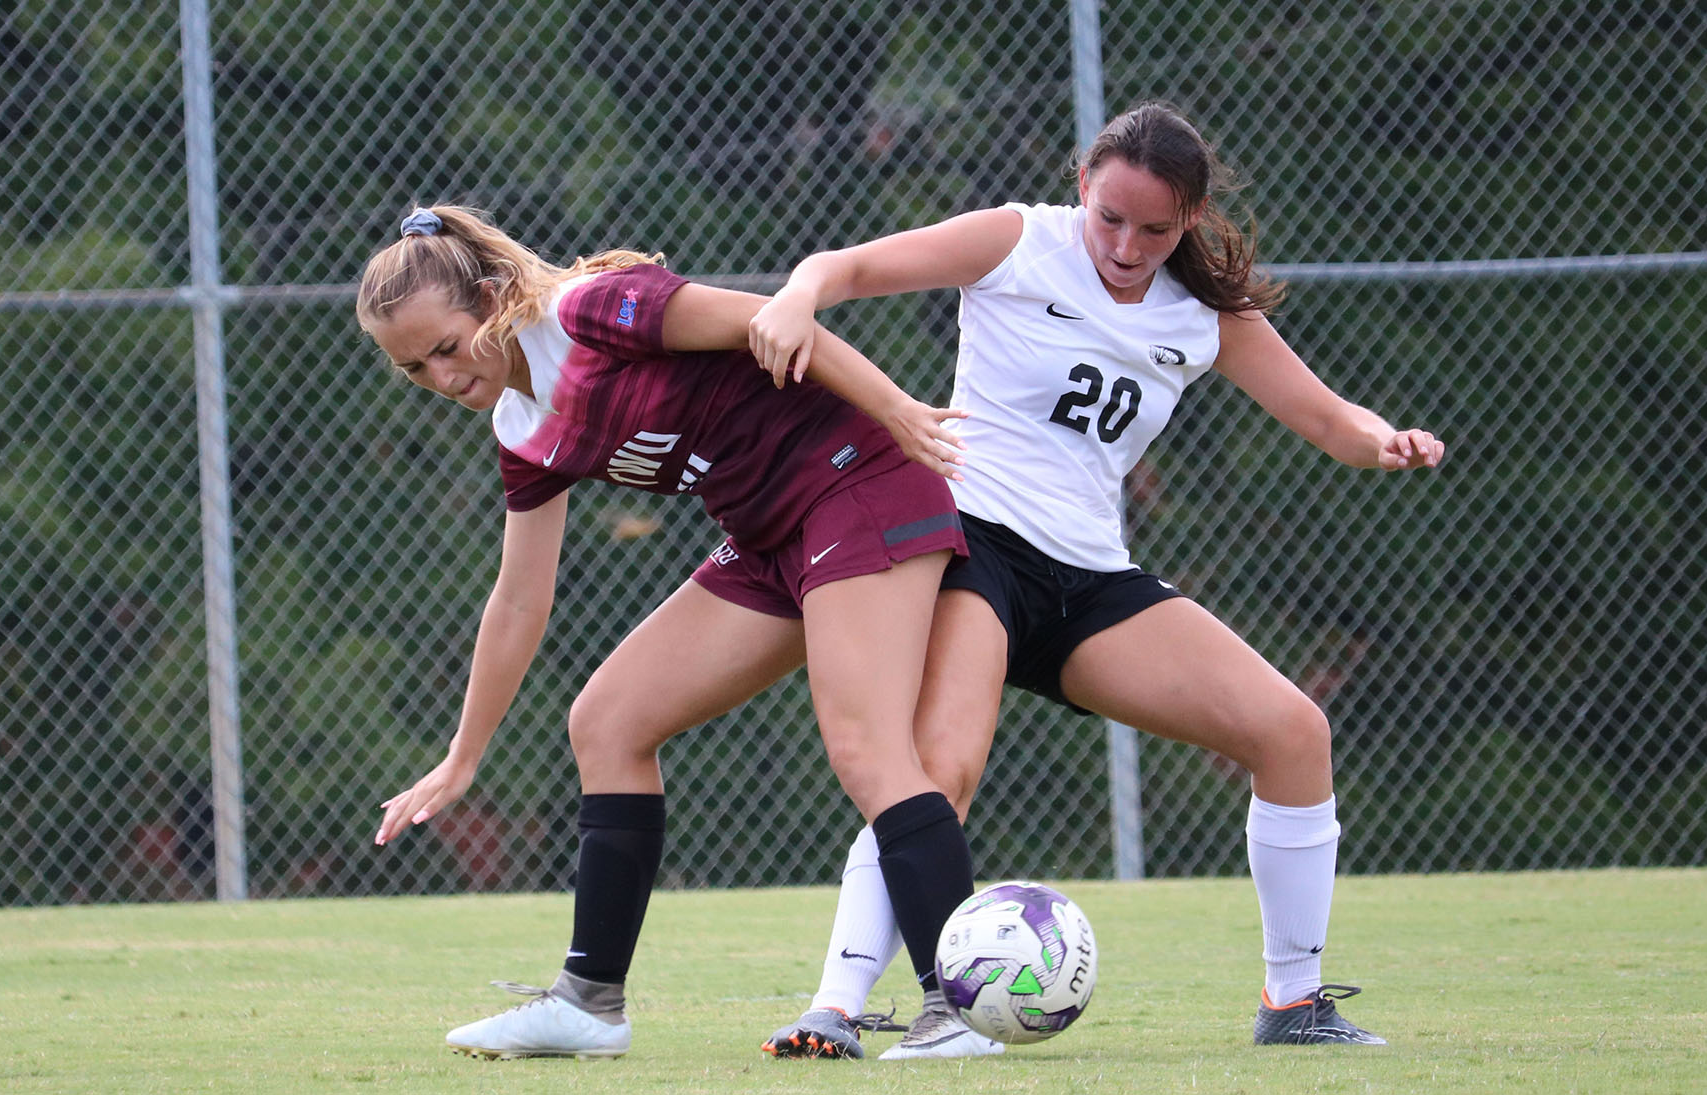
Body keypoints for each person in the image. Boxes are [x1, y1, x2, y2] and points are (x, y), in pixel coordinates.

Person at [747, 101, 1444, 1060]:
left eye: (1154, 229)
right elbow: (846, 268)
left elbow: (1329, 420)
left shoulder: (1203, 318)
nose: (1125, 244)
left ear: (1189, 219)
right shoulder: (1017, 241)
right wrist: (795, 298)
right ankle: (838, 1006)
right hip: (973, 549)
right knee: (934, 771)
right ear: (1083, 186)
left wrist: (1385, 441)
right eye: (1109, 216)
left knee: (1292, 732)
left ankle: (1295, 1003)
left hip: (1088, 578)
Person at [357, 204, 979, 1060]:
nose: (438, 373)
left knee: (866, 748)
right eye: (412, 366)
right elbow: (517, 600)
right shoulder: (521, 429)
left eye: (446, 345)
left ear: (493, 298)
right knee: (608, 721)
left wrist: (899, 410)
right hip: (766, 534)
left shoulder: (591, 310)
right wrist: (464, 755)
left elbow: (779, 325)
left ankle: (956, 1012)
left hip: (860, 485)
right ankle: (588, 1003)